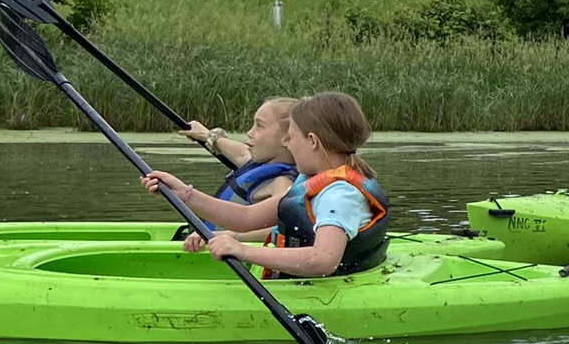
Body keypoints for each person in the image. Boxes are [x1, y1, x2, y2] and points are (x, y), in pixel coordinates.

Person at [142, 91, 390, 278]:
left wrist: (243, 251)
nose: (288, 145)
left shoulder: (338, 196)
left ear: (313, 141)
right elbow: (247, 217)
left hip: (324, 292)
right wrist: (184, 193)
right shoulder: (311, 182)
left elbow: (322, 260)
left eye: (291, 138)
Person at [178, 97, 300, 204]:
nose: (250, 133)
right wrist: (207, 135)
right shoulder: (263, 162)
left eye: (260, 126)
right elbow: (242, 153)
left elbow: (283, 224)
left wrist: (186, 194)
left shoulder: (282, 184)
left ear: (287, 138)